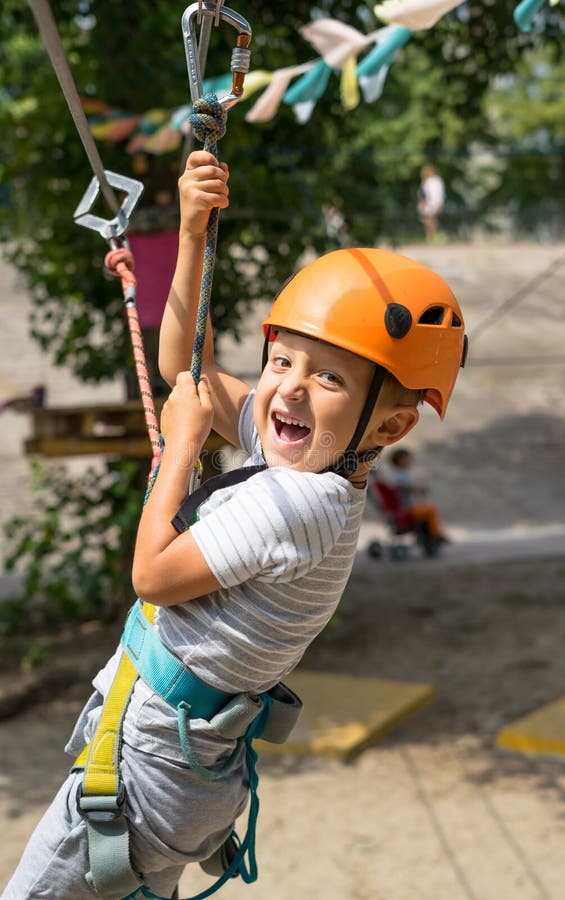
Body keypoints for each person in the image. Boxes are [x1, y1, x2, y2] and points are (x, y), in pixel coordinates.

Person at [2, 150, 467, 900]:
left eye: (329, 378)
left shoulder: (299, 503)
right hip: (168, 760)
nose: (287, 388)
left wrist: (184, 440)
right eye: (282, 360)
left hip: (155, 769)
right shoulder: (308, 462)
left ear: (390, 424)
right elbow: (183, 366)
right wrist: (192, 232)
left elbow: (152, 573)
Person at [388, 447, 448, 548]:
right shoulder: (398, 475)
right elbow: (400, 488)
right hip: (407, 509)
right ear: (399, 461)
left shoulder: (402, 474)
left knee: (427, 507)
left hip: (408, 507)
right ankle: (436, 534)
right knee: (431, 509)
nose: (409, 461)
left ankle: (430, 535)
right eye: (406, 459)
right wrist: (417, 489)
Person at [417, 164, 445, 243]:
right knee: (427, 220)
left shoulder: (436, 181)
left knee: (431, 220)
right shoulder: (425, 181)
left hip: (433, 203)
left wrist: (440, 203)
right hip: (427, 203)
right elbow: (423, 194)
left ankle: (435, 237)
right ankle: (430, 237)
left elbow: (439, 193)